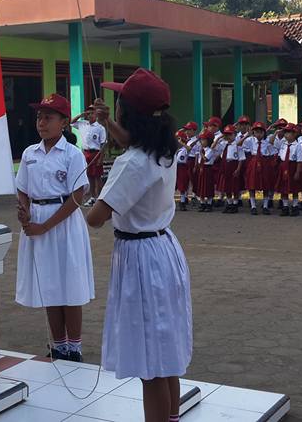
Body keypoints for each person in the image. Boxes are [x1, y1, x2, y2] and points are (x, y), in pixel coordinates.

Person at [86, 68, 192, 422]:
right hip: (162, 249)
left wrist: (68, 201)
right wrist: (108, 124)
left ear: (127, 112)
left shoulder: (132, 163)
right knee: (165, 357)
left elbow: (96, 216)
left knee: (150, 362)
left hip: (142, 258)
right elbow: (134, 143)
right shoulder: (162, 148)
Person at [15, 93, 95, 362]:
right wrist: (25, 212)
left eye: (48, 117)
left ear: (63, 122)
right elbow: (22, 189)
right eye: (39, 116)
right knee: (50, 284)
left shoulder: (72, 155)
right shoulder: (29, 153)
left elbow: (77, 197)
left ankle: (74, 347)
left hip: (63, 224)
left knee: (69, 286)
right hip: (37, 222)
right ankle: (58, 345)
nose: (42, 121)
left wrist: (44, 226)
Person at [71, 109, 107, 205]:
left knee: (97, 177)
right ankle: (92, 196)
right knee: (89, 176)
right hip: (86, 153)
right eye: (88, 113)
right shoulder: (83, 124)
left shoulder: (100, 128)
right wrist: (80, 115)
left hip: (96, 153)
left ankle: (100, 197)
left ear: (96, 115)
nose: (90, 115)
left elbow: (103, 143)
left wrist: (101, 158)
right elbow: (71, 122)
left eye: (92, 113)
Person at [240, 122, 272, 215]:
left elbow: (272, 152)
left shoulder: (267, 141)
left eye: (261, 132)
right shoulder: (250, 140)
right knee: (252, 185)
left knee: (265, 185)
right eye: (256, 132)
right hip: (253, 163)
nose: (258, 134)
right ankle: (253, 206)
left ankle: (265, 206)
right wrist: (246, 135)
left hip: (264, 163)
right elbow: (239, 144)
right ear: (253, 132)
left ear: (264, 133)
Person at [274, 123, 302, 216]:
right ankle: (285, 207)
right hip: (283, 167)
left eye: (288, 133)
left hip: (292, 167)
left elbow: (300, 161)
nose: (286, 135)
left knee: (294, 189)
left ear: (294, 134)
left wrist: (297, 172)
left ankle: (295, 206)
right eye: (285, 133)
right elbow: (280, 157)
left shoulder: (297, 146)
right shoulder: (283, 145)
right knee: (283, 189)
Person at [214, 125, 245, 214]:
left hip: (233, 166)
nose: (227, 137)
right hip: (224, 166)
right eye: (226, 135)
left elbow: (241, 158)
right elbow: (213, 147)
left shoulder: (238, 144)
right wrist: (219, 138)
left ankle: (235, 205)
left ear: (235, 135)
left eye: (230, 134)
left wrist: (238, 169)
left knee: (235, 187)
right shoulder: (223, 144)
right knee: (226, 187)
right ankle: (229, 204)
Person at [193, 131, 217, 212]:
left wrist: (201, 153)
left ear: (209, 141)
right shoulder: (201, 149)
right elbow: (199, 160)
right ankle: (202, 203)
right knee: (201, 186)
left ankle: (209, 204)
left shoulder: (210, 150)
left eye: (203, 140)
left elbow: (206, 159)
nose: (201, 142)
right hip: (201, 169)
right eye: (201, 140)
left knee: (208, 186)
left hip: (208, 169)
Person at [175, 130, 191, 211]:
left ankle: (182, 202)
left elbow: (189, 148)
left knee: (182, 186)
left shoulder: (185, 148)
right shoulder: (176, 149)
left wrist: (182, 143)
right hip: (175, 167)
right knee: (174, 185)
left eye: (178, 139)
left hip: (183, 167)